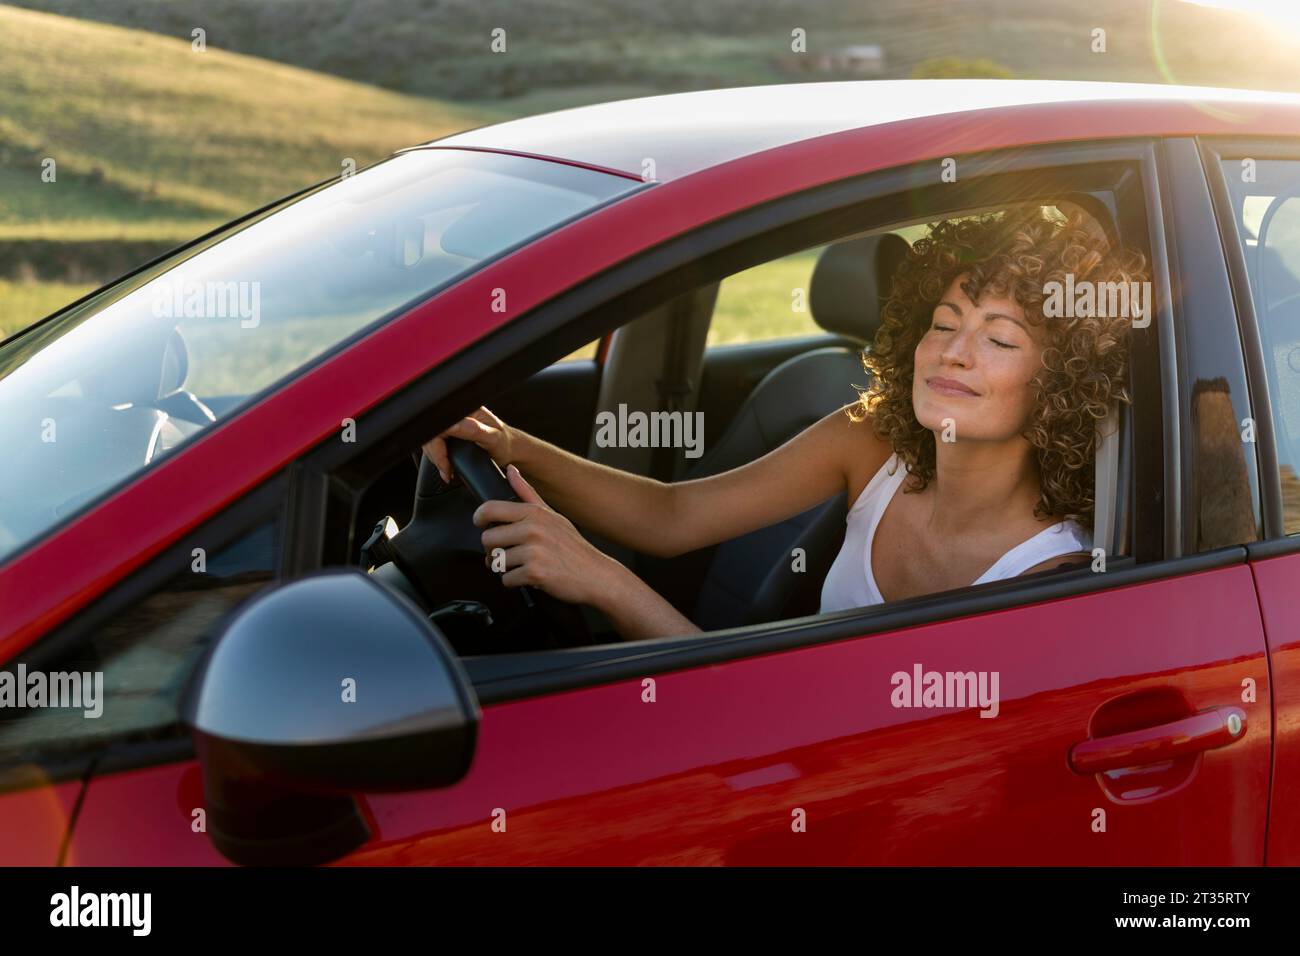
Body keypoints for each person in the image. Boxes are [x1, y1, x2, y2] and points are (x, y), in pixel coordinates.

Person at [424, 207, 1146, 642]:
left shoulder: (1051, 578)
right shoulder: (871, 443)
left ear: (1060, 382)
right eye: (943, 323)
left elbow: (819, 743)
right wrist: (510, 445)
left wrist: (602, 580)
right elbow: (673, 514)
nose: (952, 353)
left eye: (999, 339)